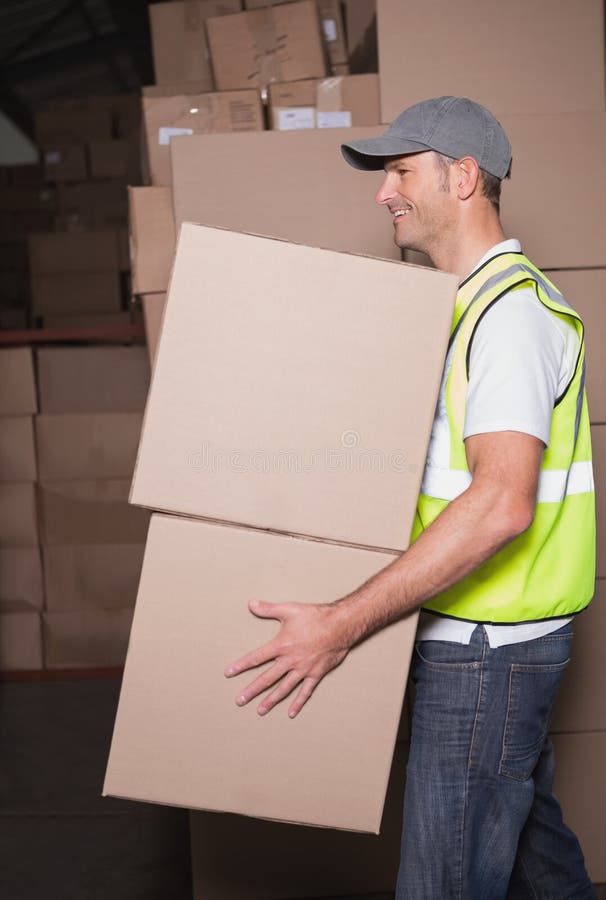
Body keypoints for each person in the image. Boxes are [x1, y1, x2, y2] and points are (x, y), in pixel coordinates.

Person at [225, 96, 596, 899]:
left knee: (443, 883)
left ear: (463, 178)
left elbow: (502, 505)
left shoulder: (509, 318)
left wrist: (341, 623)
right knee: (538, 861)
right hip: (475, 638)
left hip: (488, 652)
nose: (382, 193)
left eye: (400, 171)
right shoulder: (458, 310)